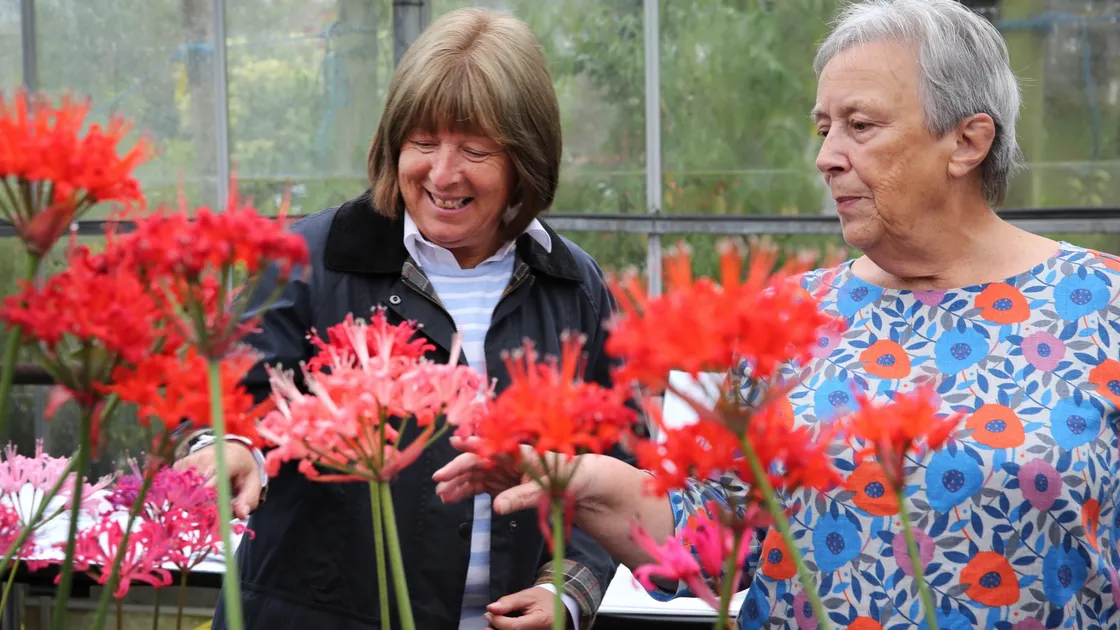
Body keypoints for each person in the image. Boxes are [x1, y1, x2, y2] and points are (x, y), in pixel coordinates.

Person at [434, 1, 1120, 628]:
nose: (826, 158)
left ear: (967, 142)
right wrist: (589, 483)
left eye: (860, 126)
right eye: (824, 129)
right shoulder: (787, 317)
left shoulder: (1101, 306)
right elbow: (714, 538)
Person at [176, 7, 628, 630]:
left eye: (475, 148)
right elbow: (225, 399)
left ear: (527, 157)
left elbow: (615, 464)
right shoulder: (311, 260)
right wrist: (230, 447)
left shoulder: (572, 286)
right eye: (421, 142)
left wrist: (567, 589)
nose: (442, 174)